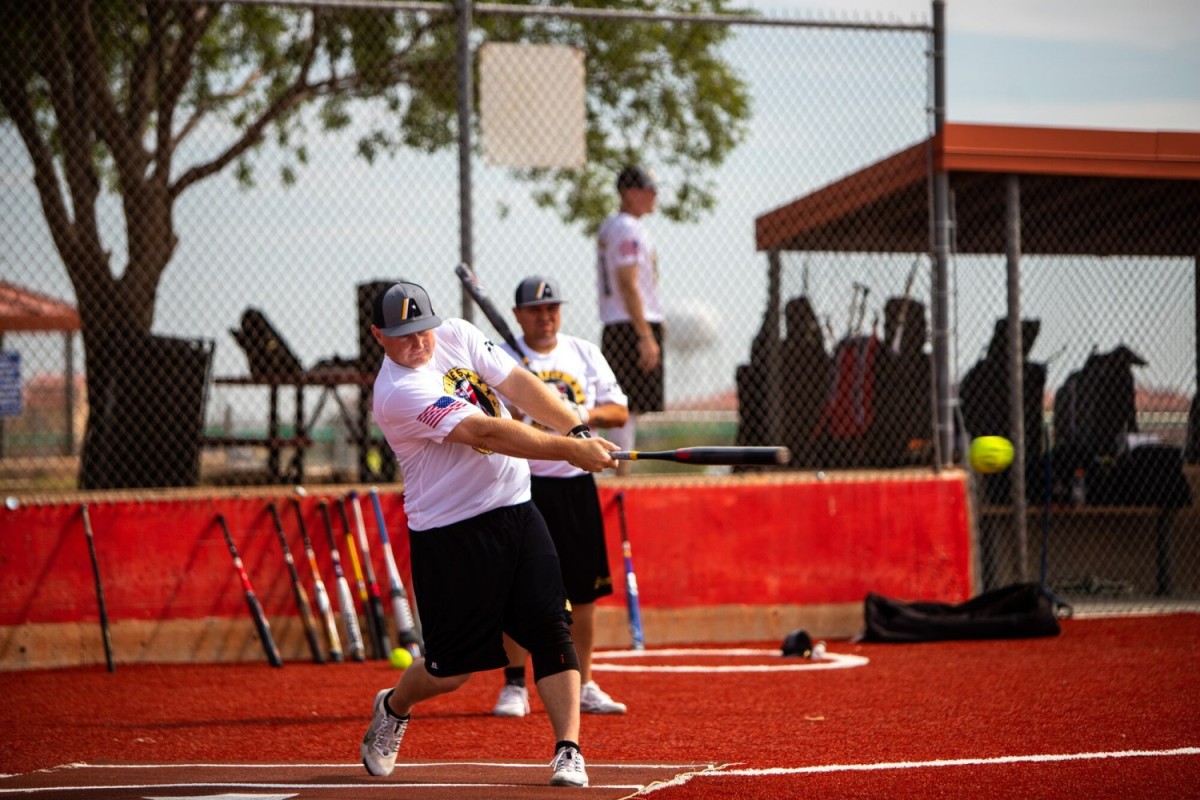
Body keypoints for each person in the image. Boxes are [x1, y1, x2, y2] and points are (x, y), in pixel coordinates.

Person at [359, 280, 618, 788]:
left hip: (516, 509)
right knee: (451, 671)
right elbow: (485, 431)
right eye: (404, 336)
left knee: (551, 628)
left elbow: (518, 383)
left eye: (423, 331)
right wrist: (568, 451)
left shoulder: (456, 333)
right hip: (450, 533)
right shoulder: (396, 393)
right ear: (379, 336)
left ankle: (569, 749)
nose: (418, 344)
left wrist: (576, 430)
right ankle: (394, 706)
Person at [492, 276, 631, 719]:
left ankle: (585, 682)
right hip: (521, 484)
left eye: (552, 307)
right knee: (517, 587)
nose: (546, 316)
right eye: (535, 309)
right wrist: (520, 407)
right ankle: (514, 683)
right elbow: (487, 415)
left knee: (583, 590)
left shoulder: (583, 352)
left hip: (576, 483)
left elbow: (619, 409)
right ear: (518, 315)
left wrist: (574, 413)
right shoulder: (502, 357)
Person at [596, 164, 665, 474]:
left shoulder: (615, 226)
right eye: (648, 190)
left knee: (628, 404)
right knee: (627, 404)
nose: (654, 196)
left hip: (621, 321)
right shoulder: (627, 228)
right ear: (629, 193)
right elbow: (628, 281)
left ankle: (620, 472)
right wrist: (644, 334)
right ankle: (621, 474)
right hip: (629, 322)